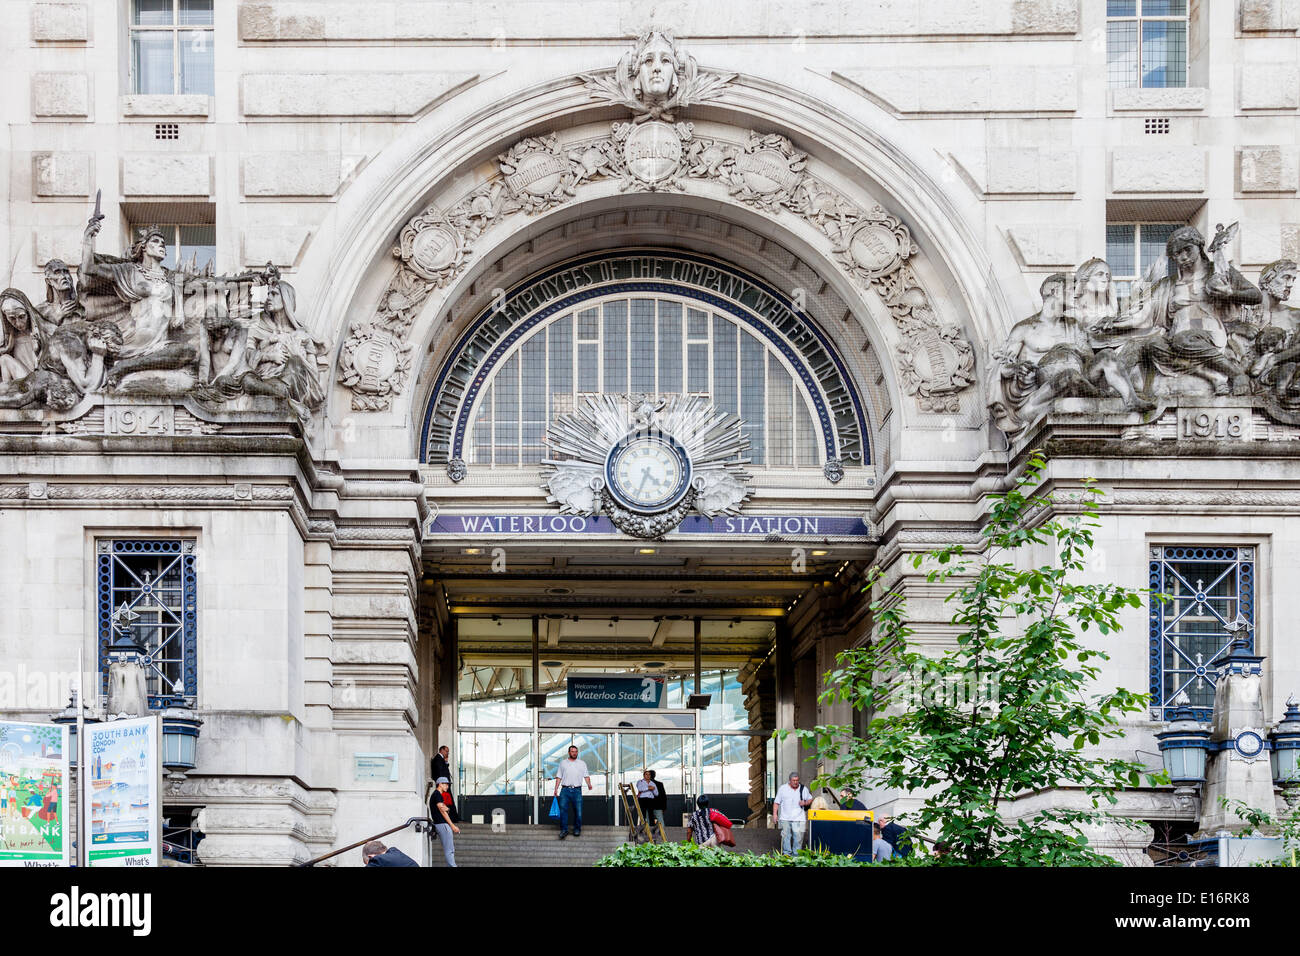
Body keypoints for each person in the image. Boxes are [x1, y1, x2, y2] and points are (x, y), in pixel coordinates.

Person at [553, 744, 592, 839]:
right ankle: (564, 830)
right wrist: (556, 789)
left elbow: (586, 776)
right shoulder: (563, 763)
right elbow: (559, 776)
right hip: (565, 790)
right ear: (569, 752)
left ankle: (577, 829)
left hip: (577, 790)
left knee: (578, 812)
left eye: (576, 752)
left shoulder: (582, 763)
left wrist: (589, 784)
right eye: (572, 751)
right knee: (563, 811)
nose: (574, 753)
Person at [772, 771, 812, 856]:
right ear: (789, 780)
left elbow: (810, 799)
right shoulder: (783, 789)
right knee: (786, 837)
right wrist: (775, 814)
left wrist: (805, 803)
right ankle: (787, 854)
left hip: (799, 818)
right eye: (793, 780)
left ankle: (796, 855)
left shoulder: (803, 789)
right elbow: (776, 802)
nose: (795, 782)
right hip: (785, 817)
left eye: (797, 780)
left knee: (798, 838)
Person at [428, 776, 460, 867]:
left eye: (448, 785)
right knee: (449, 850)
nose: (447, 786)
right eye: (446, 784)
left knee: (449, 849)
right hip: (442, 824)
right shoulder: (437, 794)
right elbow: (443, 811)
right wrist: (452, 826)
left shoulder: (436, 795)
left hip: (440, 824)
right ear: (440, 784)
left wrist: (447, 809)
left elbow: (444, 809)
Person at [634, 769, 659, 839]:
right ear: (644, 775)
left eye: (649, 774)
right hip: (643, 799)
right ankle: (642, 828)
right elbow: (640, 788)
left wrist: (652, 789)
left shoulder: (653, 783)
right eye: (646, 774)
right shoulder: (640, 781)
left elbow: (656, 793)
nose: (648, 776)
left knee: (651, 814)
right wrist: (648, 788)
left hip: (651, 799)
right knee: (643, 813)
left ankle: (652, 828)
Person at [647, 769, 668, 834]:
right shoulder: (660, 784)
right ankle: (662, 833)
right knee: (660, 820)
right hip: (658, 806)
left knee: (647, 820)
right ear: (654, 775)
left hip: (648, 806)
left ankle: (648, 833)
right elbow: (664, 797)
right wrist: (664, 807)